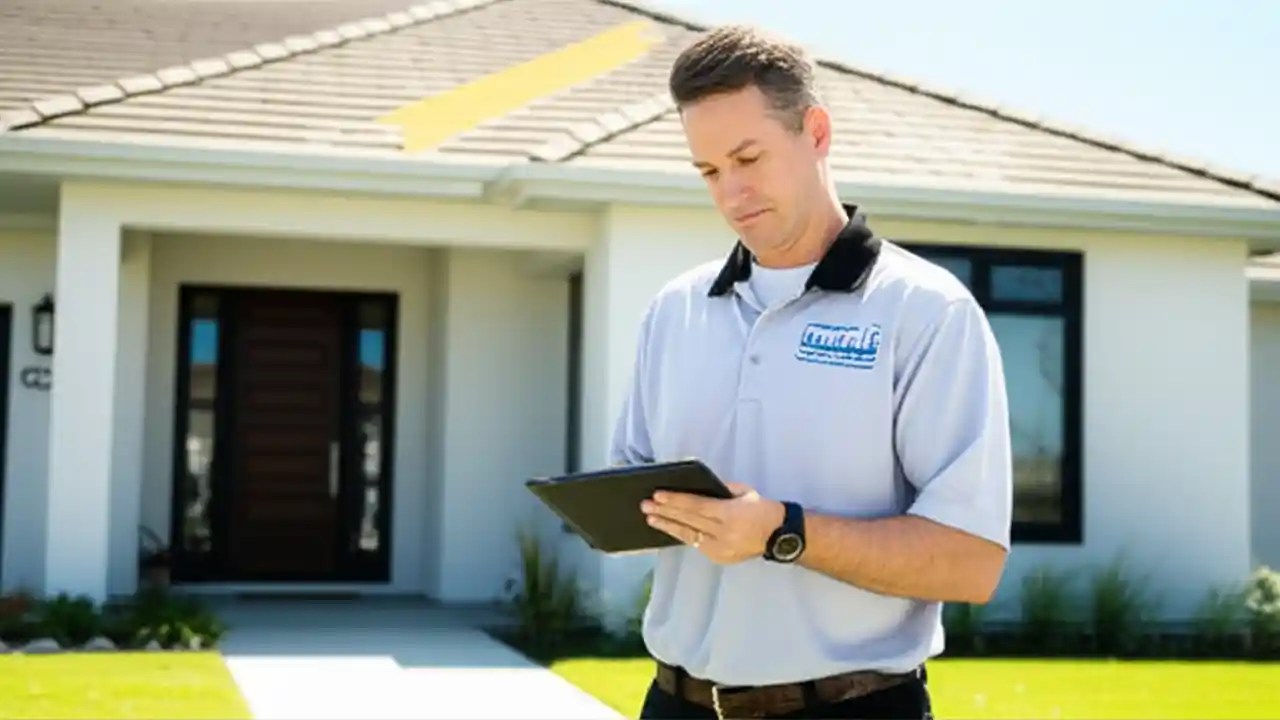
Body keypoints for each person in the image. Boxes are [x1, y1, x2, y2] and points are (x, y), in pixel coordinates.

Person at [608, 24, 1014, 720]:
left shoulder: (925, 311)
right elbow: (633, 502)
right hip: (673, 702)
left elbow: (970, 562)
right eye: (709, 171)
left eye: (748, 157)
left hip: (850, 706)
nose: (732, 192)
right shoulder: (674, 310)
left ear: (816, 132)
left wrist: (779, 531)